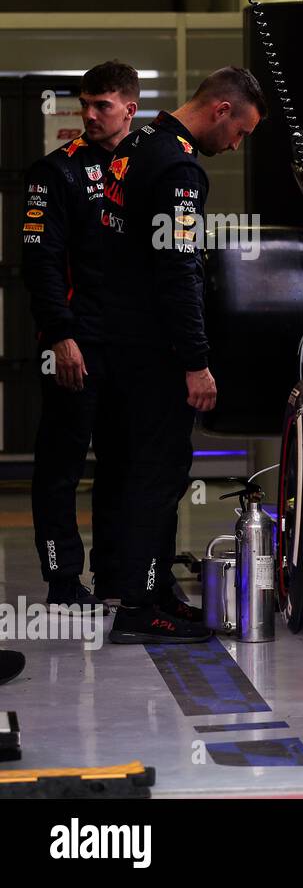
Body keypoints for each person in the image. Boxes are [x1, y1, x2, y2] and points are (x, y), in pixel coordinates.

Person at [101, 66, 265, 645]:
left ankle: (152, 592)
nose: (236, 144)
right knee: (159, 475)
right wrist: (196, 360)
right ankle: (141, 610)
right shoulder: (178, 167)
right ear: (221, 109)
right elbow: (177, 269)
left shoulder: (141, 143)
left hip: (121, 339)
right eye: (241, 131)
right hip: (154, 350)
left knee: (139, 473)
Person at [22, 61, 140, 612]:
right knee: (61, 465)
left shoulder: (149, 164)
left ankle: (117, 576)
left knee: (123, 463)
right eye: (84, 104)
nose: (89, 115)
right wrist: (60, 336)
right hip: (74, 344)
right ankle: (63, 579)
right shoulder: (55, 172)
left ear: (129, 109)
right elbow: (39, 262)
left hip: (132, 347)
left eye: (102, 106)